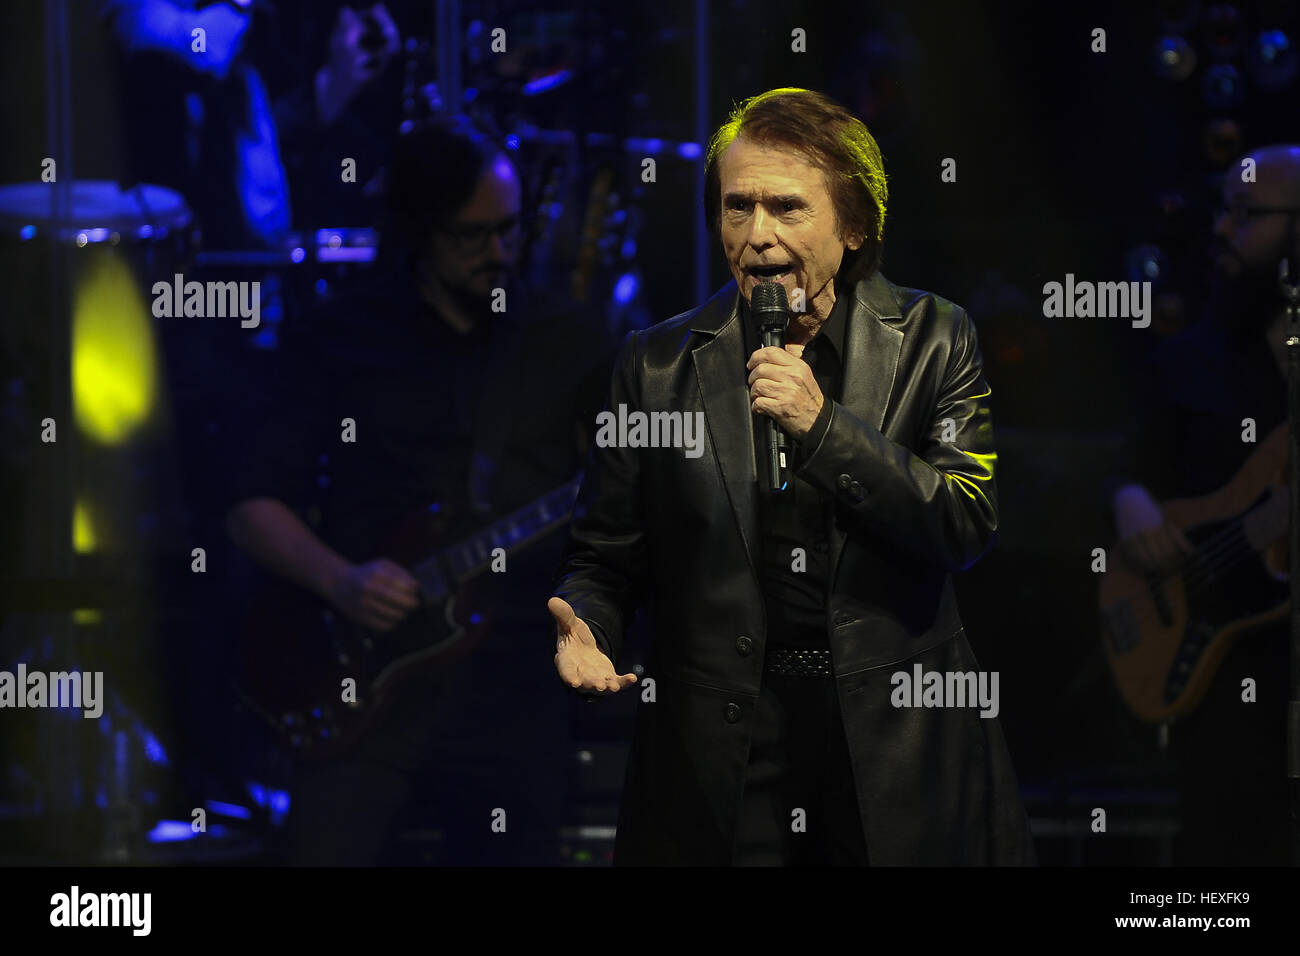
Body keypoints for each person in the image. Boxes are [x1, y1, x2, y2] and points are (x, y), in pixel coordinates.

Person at [548, 87, 1036, 866]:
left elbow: (964, 523)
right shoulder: (658, 364)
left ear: (854, 225)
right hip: (725, 757)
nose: (758, 236)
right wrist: (589, 624)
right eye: (737, 208)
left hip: (894, 749)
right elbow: (607, 553)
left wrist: (825, 429)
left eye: (786, 208)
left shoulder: (933, 339)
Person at [225, 115, 612, 864]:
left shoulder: (570, 342)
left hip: (510, 681)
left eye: (510, 230)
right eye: (472, 237)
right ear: (416, 234)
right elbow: (248, 506)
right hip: (357, 678)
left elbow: (626, 504)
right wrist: (341, 582)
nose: (498, 254)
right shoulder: (339, 338)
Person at [1108, 144, 1295, 866]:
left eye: (1246, 215)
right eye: (1223, 210)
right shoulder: (1189, 360)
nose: (1221, 229)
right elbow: (1127, 469)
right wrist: (1128, 501)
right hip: (1224, 676)